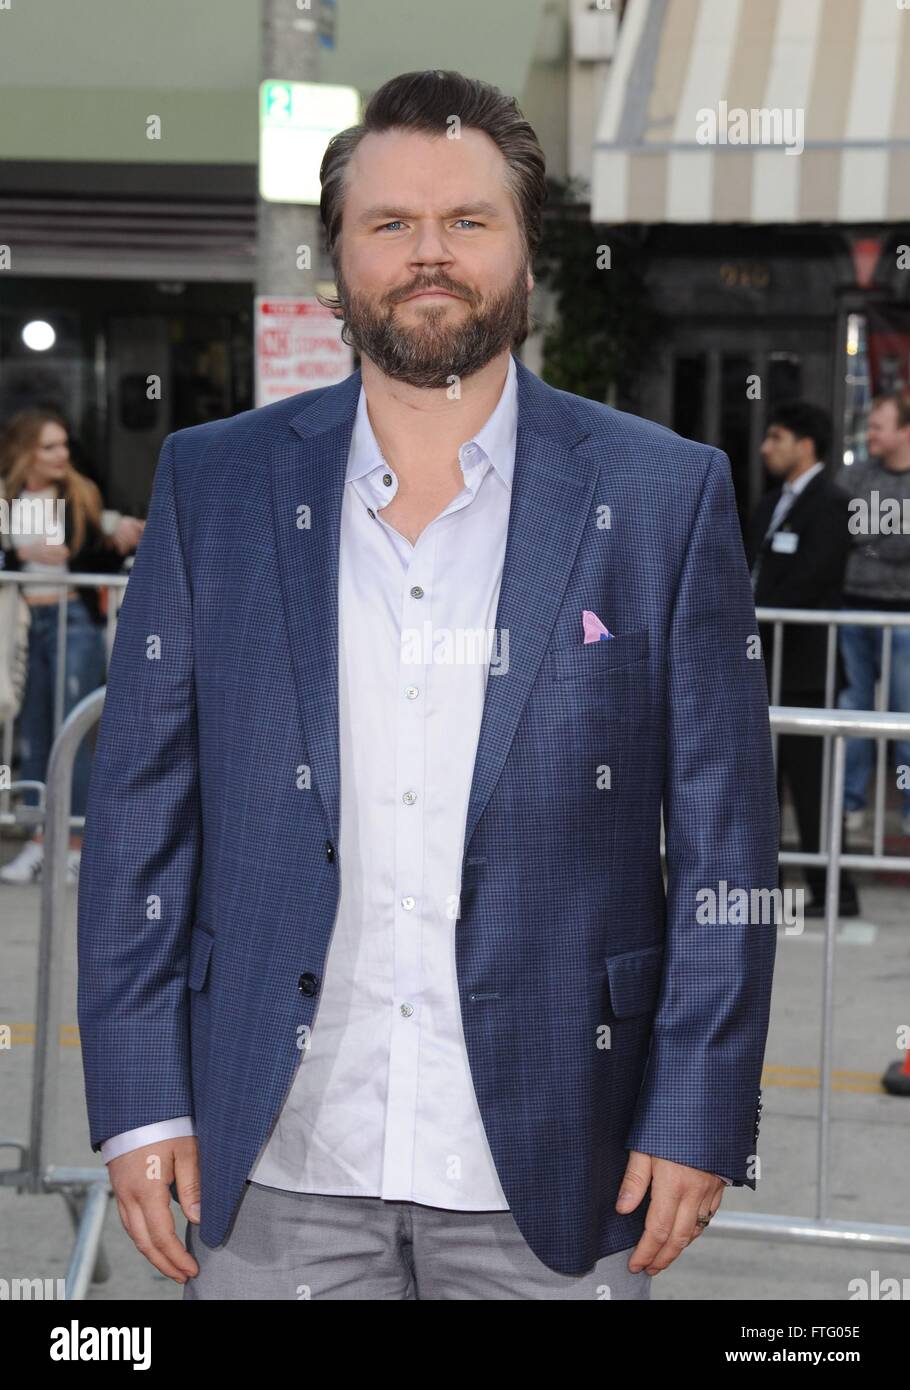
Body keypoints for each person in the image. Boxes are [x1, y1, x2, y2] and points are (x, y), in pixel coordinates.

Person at [77, 70, 778, 1301]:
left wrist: (703, 1104)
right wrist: (139, 1102)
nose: (427, 255)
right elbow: (139, 813)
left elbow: (727, 847)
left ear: (526, 248)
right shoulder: (216, 486)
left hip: (566, 1159)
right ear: (335, 256)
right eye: (389, 223)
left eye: (467, 221)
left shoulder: (661, 497)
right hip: (271, 1157)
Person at [0, 409, 144, 885]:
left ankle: (77, 844)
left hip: (72, 620)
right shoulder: (7, 495)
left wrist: (118, 536)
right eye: (48, 446)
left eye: (63, 445)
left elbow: (95, 552)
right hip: (24, 625)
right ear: (26, 452)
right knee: (35, 735)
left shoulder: (78, 493)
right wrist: (21, 554)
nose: (61, 454)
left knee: (74, 733)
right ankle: (41, 840)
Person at [746, 400, 858, 918]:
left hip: (806, 668)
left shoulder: (832, 503)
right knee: (759, 786)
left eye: (776, 437)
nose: (767, 447)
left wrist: (758, 609)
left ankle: (835, 892)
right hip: (764, 664)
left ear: (805, 444)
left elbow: (815, 576)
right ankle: (767, 890)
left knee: (812, 786)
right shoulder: (772, 504)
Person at [834, 391, 910, 837]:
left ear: (905, 430)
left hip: (904, 619)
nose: (871, 435)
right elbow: (834, 526)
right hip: (852, 610)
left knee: (906, 718)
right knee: (851, 712)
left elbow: (902, 544)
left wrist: (863, 539)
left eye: (880, 426)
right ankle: (849, 805)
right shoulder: (855, 474)